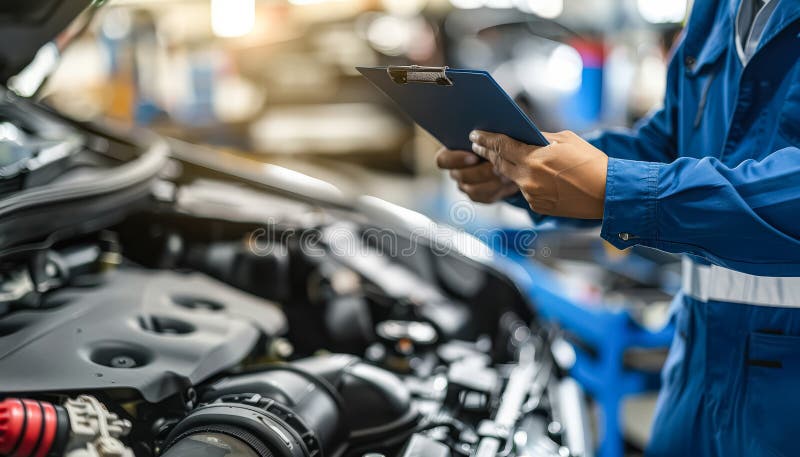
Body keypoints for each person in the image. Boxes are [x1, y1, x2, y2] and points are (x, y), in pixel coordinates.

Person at [437, 1, 800, 456]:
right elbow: (666, 146)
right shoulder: (717, 10)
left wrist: (621, 189)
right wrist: (528, 170)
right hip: (700, 360)